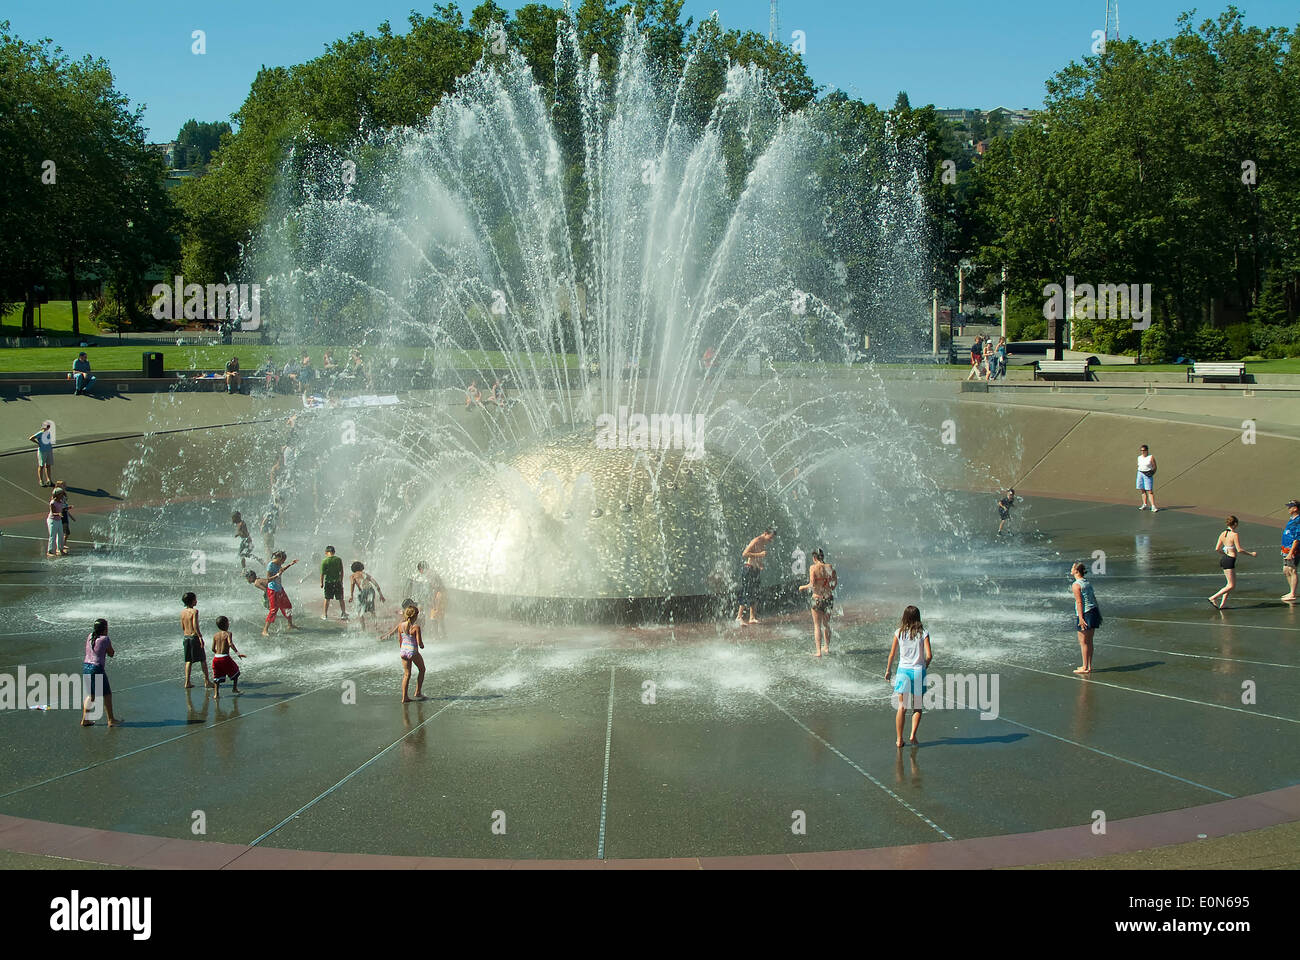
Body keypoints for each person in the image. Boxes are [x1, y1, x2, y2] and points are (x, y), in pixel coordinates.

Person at [885, 606, 931, 748]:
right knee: (917, 706)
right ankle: (913, 735)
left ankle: (899, 739)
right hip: (918, 671)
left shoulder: (899, 633)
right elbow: (929, 655)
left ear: (904, 617)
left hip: (903, 671)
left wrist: (888, 670)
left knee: (902, 707)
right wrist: (924, 666)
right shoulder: (923, 633)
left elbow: (892, 654)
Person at [380, 603, 426, 703]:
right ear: (415, 616)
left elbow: (400, 640)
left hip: (403, 651)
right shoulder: (416, 627)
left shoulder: (400, 626)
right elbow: (419, 643)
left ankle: (404, 697)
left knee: (406, 674)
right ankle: (417, 692)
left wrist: (403, 649)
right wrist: (422, 645)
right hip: (413, 652)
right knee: (422, 669)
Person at [1208, 516, 1256, 609]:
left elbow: (1217, 549)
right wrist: (1251, 554)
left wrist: (1225, 553)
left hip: (1225, 559)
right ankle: (1213, 597)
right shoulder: (1234, 535)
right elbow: (1239, 550)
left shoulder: (1223, 534)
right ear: (1235, 524)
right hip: (1229, 560)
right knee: (1231, 585)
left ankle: (1223, 604)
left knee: (1229, 584)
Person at [81, 618, 121, 727]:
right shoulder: (105, 639)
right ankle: (111, 720)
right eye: (107, 627)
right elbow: (111, 653)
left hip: (86, 667)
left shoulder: (90, 636)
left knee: (91, 695)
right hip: (96, 668)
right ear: (104, 628)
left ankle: (85, 719)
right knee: (107, 694)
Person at [797, 548, 837, 657]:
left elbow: (812, 584)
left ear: (814, 558)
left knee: (817, 625)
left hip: (817, 599)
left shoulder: (813, 568)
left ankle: (818, 651)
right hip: (828, 598)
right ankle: (827, 647)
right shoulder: (830, 567)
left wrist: (802, 587)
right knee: (826, 624)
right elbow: (834, 586)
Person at [735, 528, 775, 625]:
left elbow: (755, 557)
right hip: (748, 569)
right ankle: (739, 617)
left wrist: (759, 564)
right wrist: (760, 555)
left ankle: (752, 617)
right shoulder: (756, 540)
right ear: (765, 533)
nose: (771, 540)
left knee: (755, 593)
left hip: (755, 570)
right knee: (747, 592)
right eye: (770, 537)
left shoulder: (763, 543)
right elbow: (745, 554)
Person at [1070, 562, 1101, 674]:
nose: (1071, 570)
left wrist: (1081, 618)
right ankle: (1088, 666)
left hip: (1085, 613)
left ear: (1076, 571)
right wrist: (1098, 612)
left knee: (1083, 642)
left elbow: (1079, 602)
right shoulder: (1087, 582)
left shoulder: (1076, 585)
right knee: (1090, 641)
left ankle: (1084, 667)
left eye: (1072, 568)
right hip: (1093, 611)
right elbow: (1093, 598)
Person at [181, 592, 214, 689]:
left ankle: (187, 682)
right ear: (191, 601)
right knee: (202, 659)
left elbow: (182, 626)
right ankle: (207, 681)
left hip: (186, 637)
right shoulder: (194, 611)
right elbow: (195, 625)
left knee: (188, 661)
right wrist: (200, 637)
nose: (196, 601)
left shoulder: (182, 612)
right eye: (195, 599)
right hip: (194, 637)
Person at [263, 551, 300, 636]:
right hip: (273, 590)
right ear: (279, 558)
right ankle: (265, 630)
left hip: (280, 589)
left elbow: (281, 570)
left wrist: (290, 564)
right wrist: (277, 575)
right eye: (283, 560)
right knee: (273, 610)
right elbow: (268, 579)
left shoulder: (278, 564)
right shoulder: (270, 565)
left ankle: (290, 624)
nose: (283, 562)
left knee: (288, 606)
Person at [209, 616, 246, 698]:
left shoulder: (215, 635)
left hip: (216, 658)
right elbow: (230, 643)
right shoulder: (228, 634)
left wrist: (218, 654)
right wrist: (237, 653)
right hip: (225, 658)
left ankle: (216, 694)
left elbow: (212, 649)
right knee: (236, 671)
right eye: (228, 622)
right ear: (226, 624)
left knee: (217, 676)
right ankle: (234, 688)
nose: (229, 623)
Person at [349, 561, 386, 629]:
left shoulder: (353, 576)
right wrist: (381, 595)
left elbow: (352, 585)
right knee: (372, 610)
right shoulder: (365, 574)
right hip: (371, 590)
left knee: (360, 611)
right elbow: (375, 583)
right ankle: (376, 626)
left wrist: (351, 596)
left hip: (363, 591)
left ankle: (363, 629)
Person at [319, 545, 348, 620]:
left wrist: (321, 583)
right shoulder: (338, 559)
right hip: (337, 582)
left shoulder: (324, 561)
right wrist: (341, 581)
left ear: (326, 552)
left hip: (328, 582)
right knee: (341, 598)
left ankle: (325, 614)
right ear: (334, 552)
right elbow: (341, 571)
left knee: (327, 598)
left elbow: (322, 573)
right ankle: (344, 613)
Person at [1281, 499, 1300, 602]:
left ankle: (1292, 593)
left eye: (1290, 506)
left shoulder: (1298, 521)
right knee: (1286, 570)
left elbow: (1297, 538)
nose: (1288, 508)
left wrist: (1291, 552)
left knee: (1292, 570)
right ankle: (1291, 591)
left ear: (1295, 508)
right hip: (1286, 549)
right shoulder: (1292, 519)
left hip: (1292, 550)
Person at [29, 421, 55, 487]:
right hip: (42, 451)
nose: (49, 427)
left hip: (49, 451)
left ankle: (49, 480)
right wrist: (38, 443)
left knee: (48, 465)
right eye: (48, 426)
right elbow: (31, 438)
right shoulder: (40, 433)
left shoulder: (49, 432)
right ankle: (41, 480)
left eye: (49, 426)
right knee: (41, 466)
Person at [53, 478, 74, 553]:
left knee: (65, 531)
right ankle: (61, 545)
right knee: (64, 531)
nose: (65, 486)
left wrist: (70, 515)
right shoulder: (58, 495)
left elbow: (64, 506)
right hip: (61, 513)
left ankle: (62, 544)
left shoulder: (64, 494)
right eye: (64, 485)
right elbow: (59, 506)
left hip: (64, 512)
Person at [1136, 444, 1158, 512]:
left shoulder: (1151, 457)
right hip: (1140, 473)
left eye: (1144, 450)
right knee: (1142, 490)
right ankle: (1144, 504)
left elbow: (1154, 466)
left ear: (1147, 450)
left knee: (1150, 491)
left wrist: (1152, 473)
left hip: (1147, 475)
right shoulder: (1139, 457)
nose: (1142, 452)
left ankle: (1153, 506)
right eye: (1141, 450)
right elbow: (1139, 465)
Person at [46, 488, 66, 558]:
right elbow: (53, 512)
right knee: (52, 535)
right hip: (52, 520)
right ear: (57, 495)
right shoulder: (53, 503)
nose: (62, 495)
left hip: (59, 520)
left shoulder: (60, 501)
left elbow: (61, 509)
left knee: (60, 535)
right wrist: (58, 514)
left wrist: (67, 508)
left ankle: (60, 549)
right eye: (61, 494)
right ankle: (50, 551)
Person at [427, 572, 446, 642]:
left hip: (437, 604)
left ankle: (436, 637)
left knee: (434, 620)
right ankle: (443, 635)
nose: (431, 583)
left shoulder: (438, 592)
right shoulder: (440, 591)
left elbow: (436, 599)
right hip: (438, 604)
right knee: (440, 619)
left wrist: (434, 606)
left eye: (432, 582)